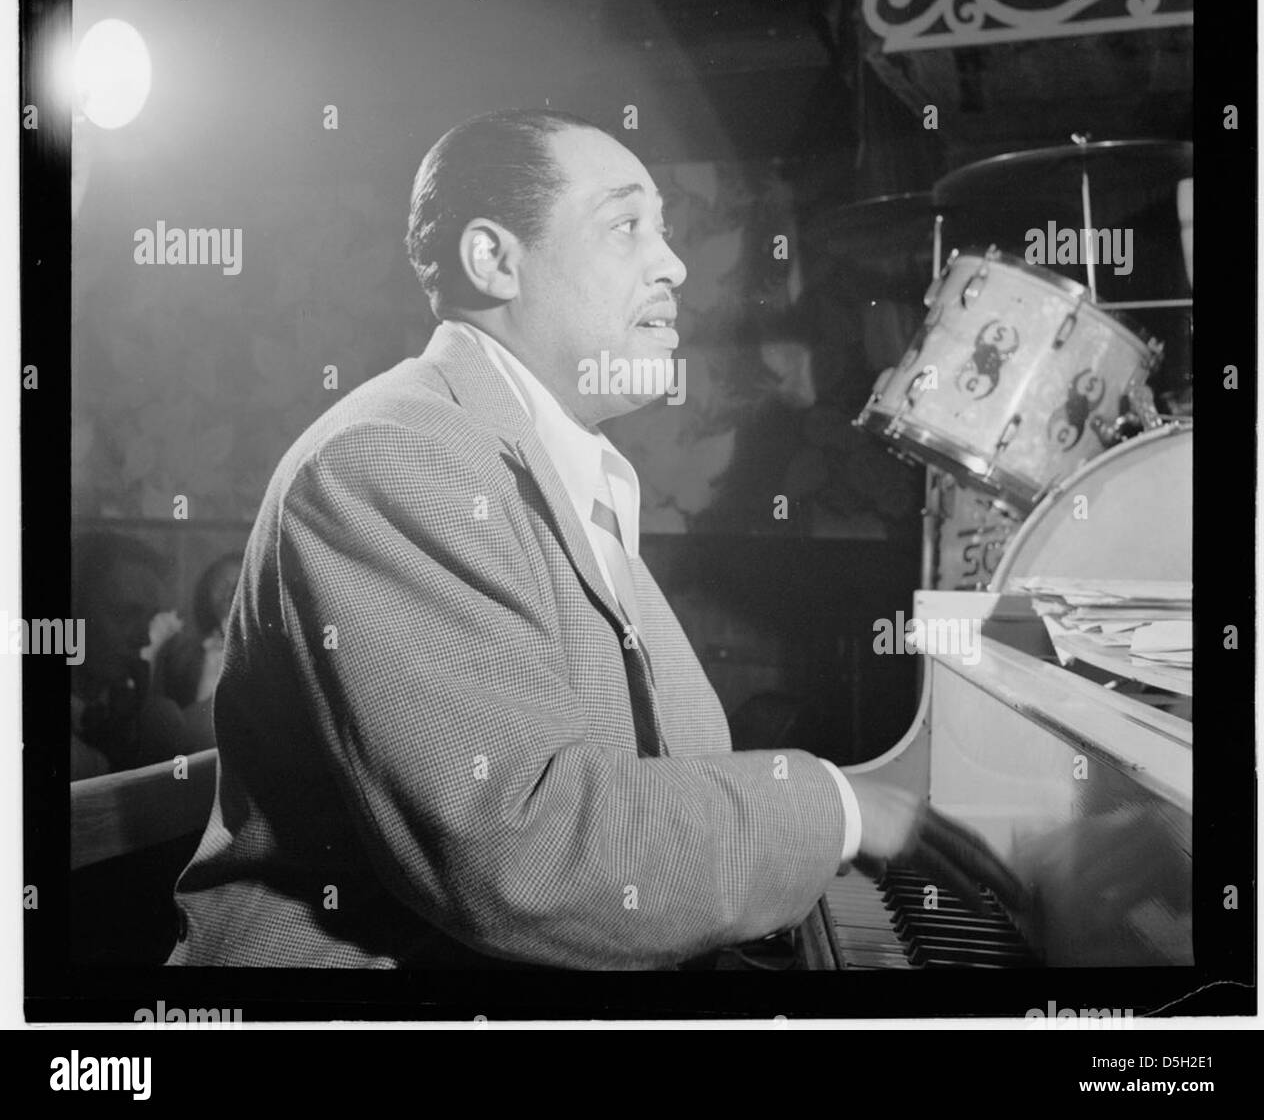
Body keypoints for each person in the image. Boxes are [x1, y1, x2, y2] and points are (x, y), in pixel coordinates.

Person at [167, 109, 1022, 969]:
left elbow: (663, 780)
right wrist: (845, 809)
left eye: (665, 229)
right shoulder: (396, 457)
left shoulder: (561, 464)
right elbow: (524, 857)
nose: (675, 264)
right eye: (626, 226)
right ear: (495, 260)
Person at [71, 532, 186, 777]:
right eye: (124, 614)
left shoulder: (155, 723)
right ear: (74, 610)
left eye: (149, 618)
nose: (142, 639)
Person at [151, 552, 242, 751]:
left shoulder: (269, 653)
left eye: (239, 582)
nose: (230, 592)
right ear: (207, 594)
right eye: (220, 584)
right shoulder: (182, 655)